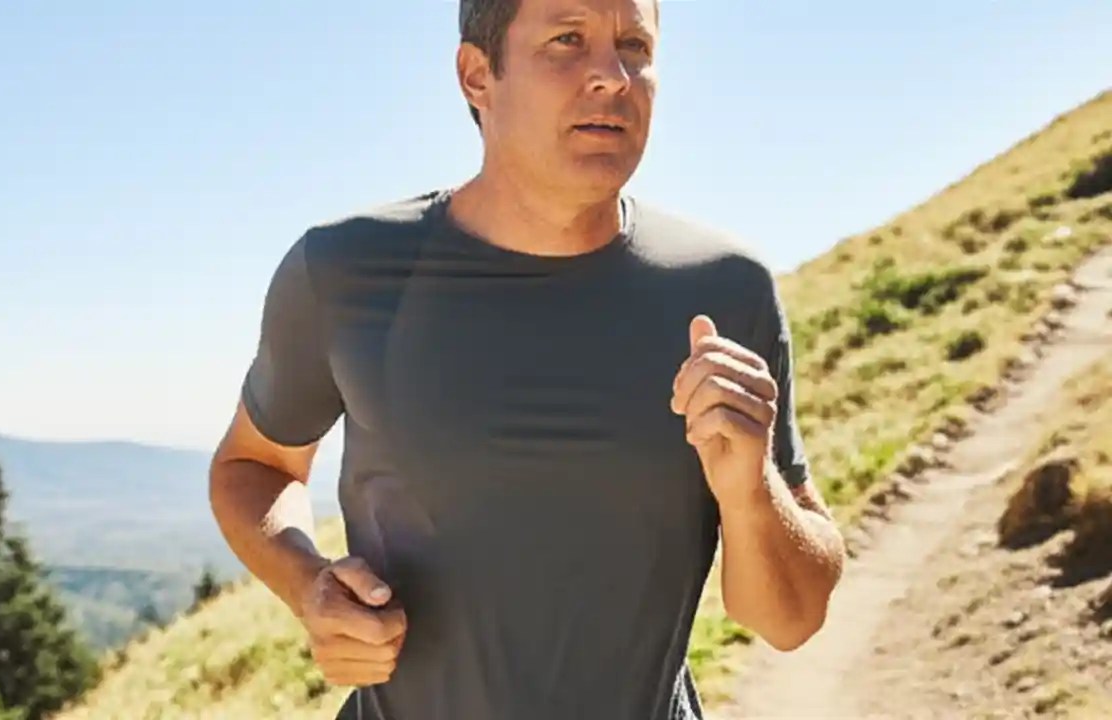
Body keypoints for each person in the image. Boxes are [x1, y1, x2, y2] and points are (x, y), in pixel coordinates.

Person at [208, 0, 846, 717]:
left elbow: (790, 620)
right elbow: (252, 467)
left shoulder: (724, 291)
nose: (613, 76)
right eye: (568, 40)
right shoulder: (343, 272)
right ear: (477, 75)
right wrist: (309, 584)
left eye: (634, 44)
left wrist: (750, 490)